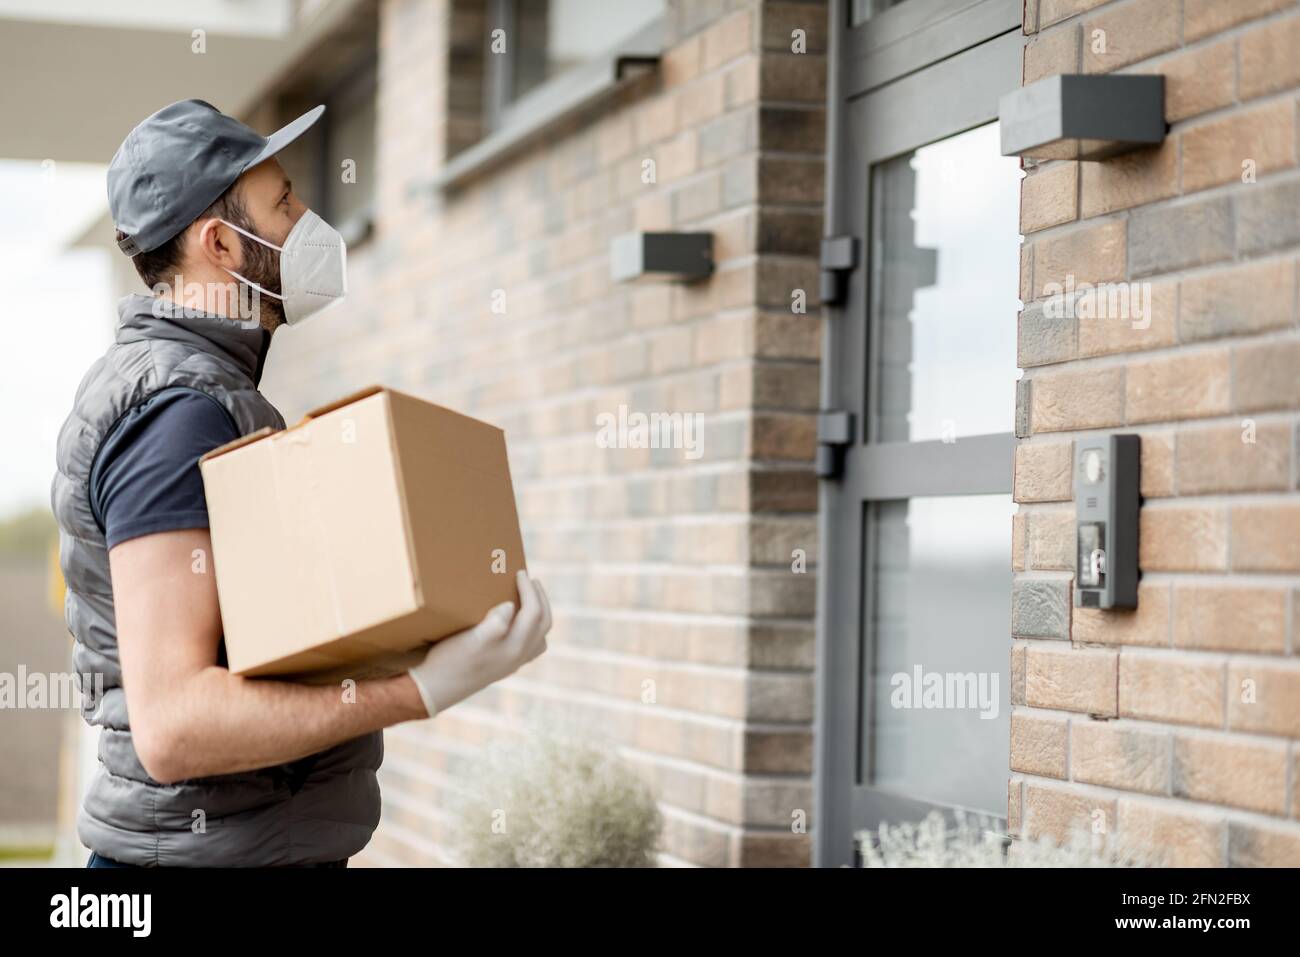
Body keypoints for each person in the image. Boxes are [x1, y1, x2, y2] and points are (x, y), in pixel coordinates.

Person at [51, 99, 550, 868]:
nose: (307, 218)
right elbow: (176, 724)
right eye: (282, 201)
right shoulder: (177, 416)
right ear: (219, 242)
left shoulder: (213, 393)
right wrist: (421, 688)